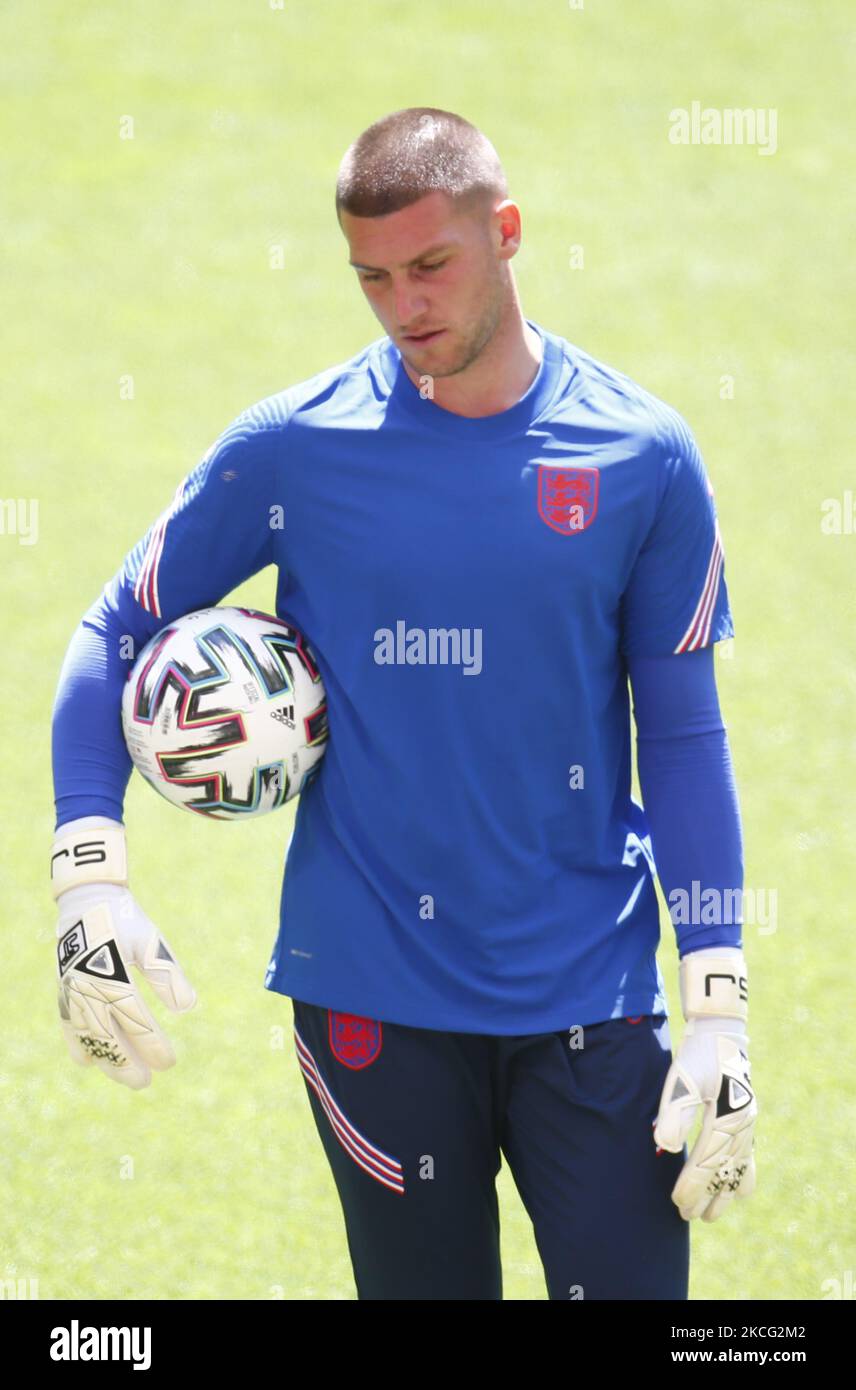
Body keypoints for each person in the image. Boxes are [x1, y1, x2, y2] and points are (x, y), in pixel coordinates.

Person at [50, 107, 756, 1301]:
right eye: (371, 277)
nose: (403, 305)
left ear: (508, 232)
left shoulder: (641, 455)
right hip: (372, 1006)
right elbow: (113, 627)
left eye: (431, 264)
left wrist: (720, 1005)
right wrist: (90, 878)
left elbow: (681, 734)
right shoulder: (296, 448)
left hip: (592, 999)